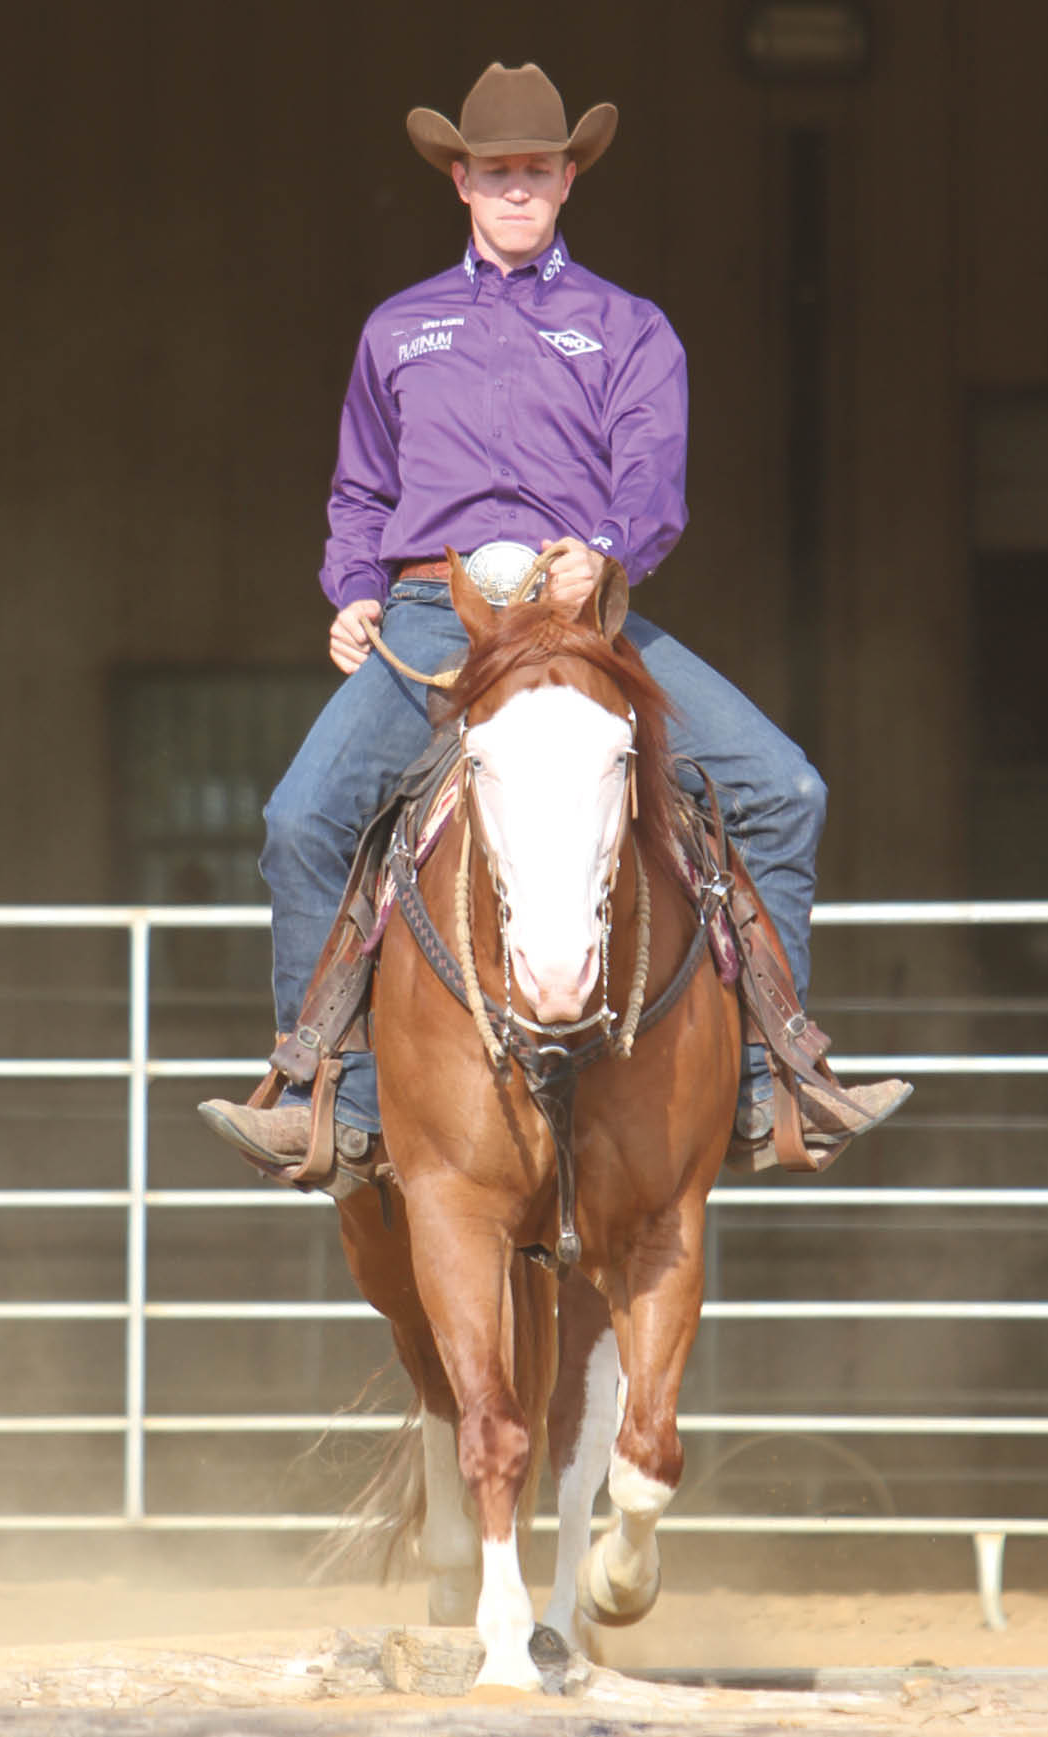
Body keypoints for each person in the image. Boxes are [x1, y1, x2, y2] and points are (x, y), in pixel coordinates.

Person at [201, 62, 908, 1179]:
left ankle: (776, 1077)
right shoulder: (397, 330)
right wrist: (354, 589)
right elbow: (359, 492)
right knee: (301, 819)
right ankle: (327, 1096)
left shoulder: (626, 328)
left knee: (783, 791)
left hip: (579, 617)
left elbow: (654, 483)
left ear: (568, 178)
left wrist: (610, 553)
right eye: (496, 171)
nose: (516, 188)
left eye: (536, 168)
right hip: (435, 613)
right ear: (461, 182)